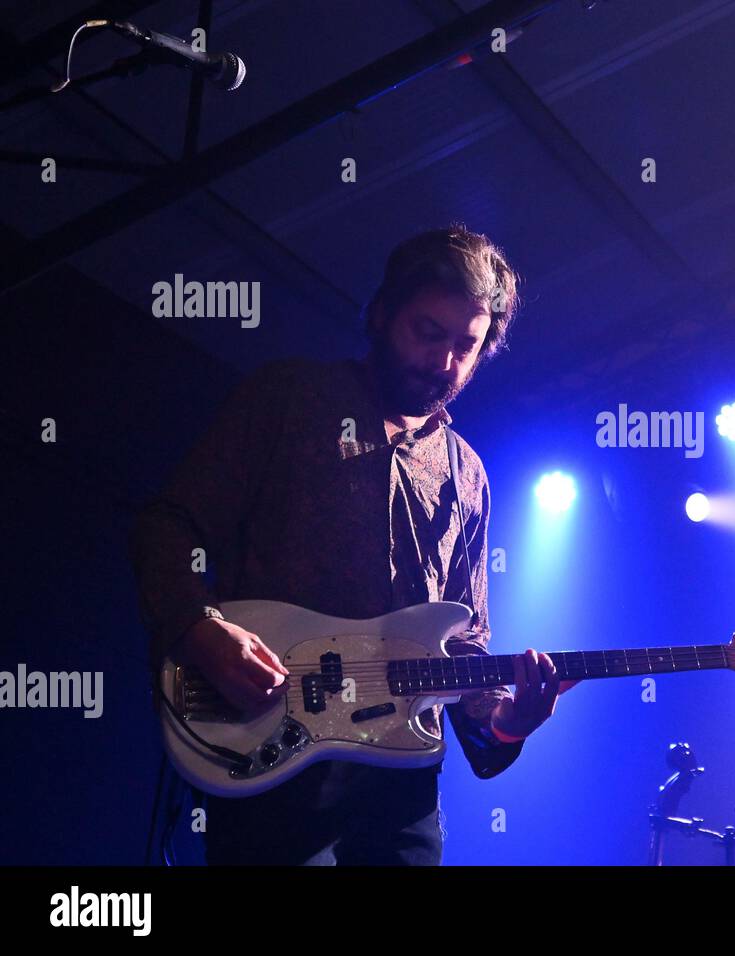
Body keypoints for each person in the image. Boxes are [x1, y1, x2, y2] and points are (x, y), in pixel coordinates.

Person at [130, 224, 571, 865]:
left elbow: (465, 643)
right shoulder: (289, 400)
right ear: (383, 312)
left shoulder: (468, 475)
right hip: (269, 745)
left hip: (399, 786)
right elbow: (168, 524)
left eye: (466, 347)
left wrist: (508, 723)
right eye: (429, 333)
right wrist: (199, 629)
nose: (445, 363)